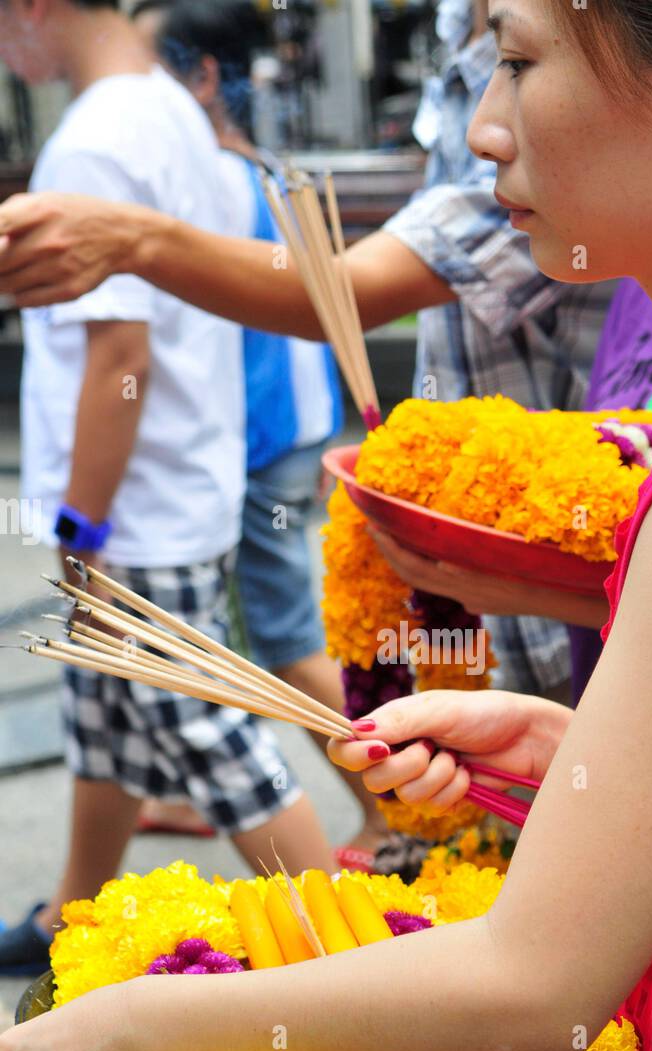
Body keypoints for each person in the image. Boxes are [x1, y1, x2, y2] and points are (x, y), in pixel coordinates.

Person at [4, 0, 652, 1051]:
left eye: (517, 63)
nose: (479, 128)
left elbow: (533, 988)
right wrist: (582, 759)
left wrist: (126, 1031)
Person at [0, 0, 614, 688]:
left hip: (548, 564)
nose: (481, 131)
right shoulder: (455, 26)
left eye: (518, 65)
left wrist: (133, 240)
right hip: (457, 549)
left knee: (280, 653)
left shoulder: (100, 143)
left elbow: (336, 295)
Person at [0, 0, 339, 982]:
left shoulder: (91, 144)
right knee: (100, 716)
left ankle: (350, 951)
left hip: (139, 508)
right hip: (177, 478)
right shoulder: (161, 107)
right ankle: (73, 915)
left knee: (210, 736)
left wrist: (80, 520)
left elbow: (117, 357)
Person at [127, 0, 389, 867]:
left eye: (150, 67)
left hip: (257, 441)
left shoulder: (218, 181)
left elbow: (254, 345)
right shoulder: (251, 168)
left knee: (280, 639)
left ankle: (388, 808)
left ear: (205, 77)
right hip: (284, 432)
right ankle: (169, 795)